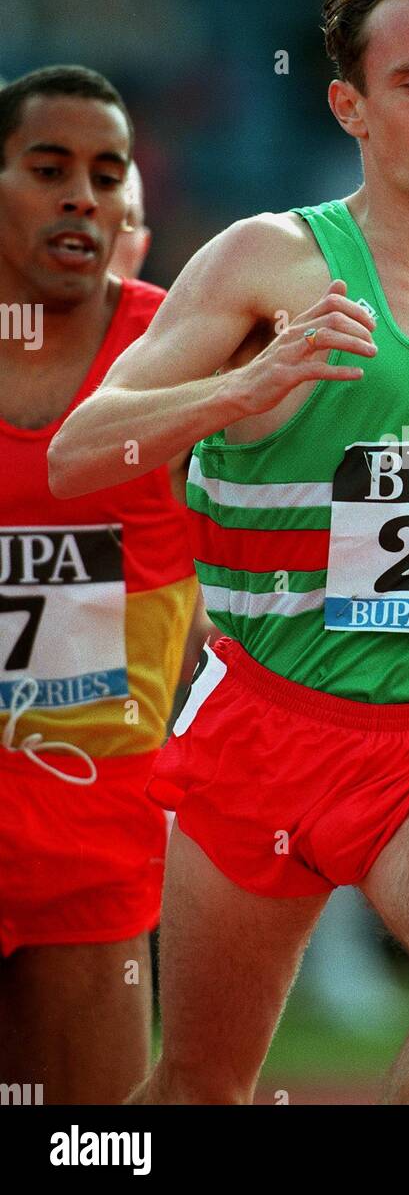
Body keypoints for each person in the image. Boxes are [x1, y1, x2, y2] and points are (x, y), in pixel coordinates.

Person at [49, 0, 409, 1105]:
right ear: (349, 106)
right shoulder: (271, 266)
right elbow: (79, 453)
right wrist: (247, 386)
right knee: (200, 1080)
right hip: (268, 724)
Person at [0, 66, 198, 1103]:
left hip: (93, 847)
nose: (83, 194)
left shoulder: (182, 352)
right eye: (48, 167)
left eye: (106, 172)